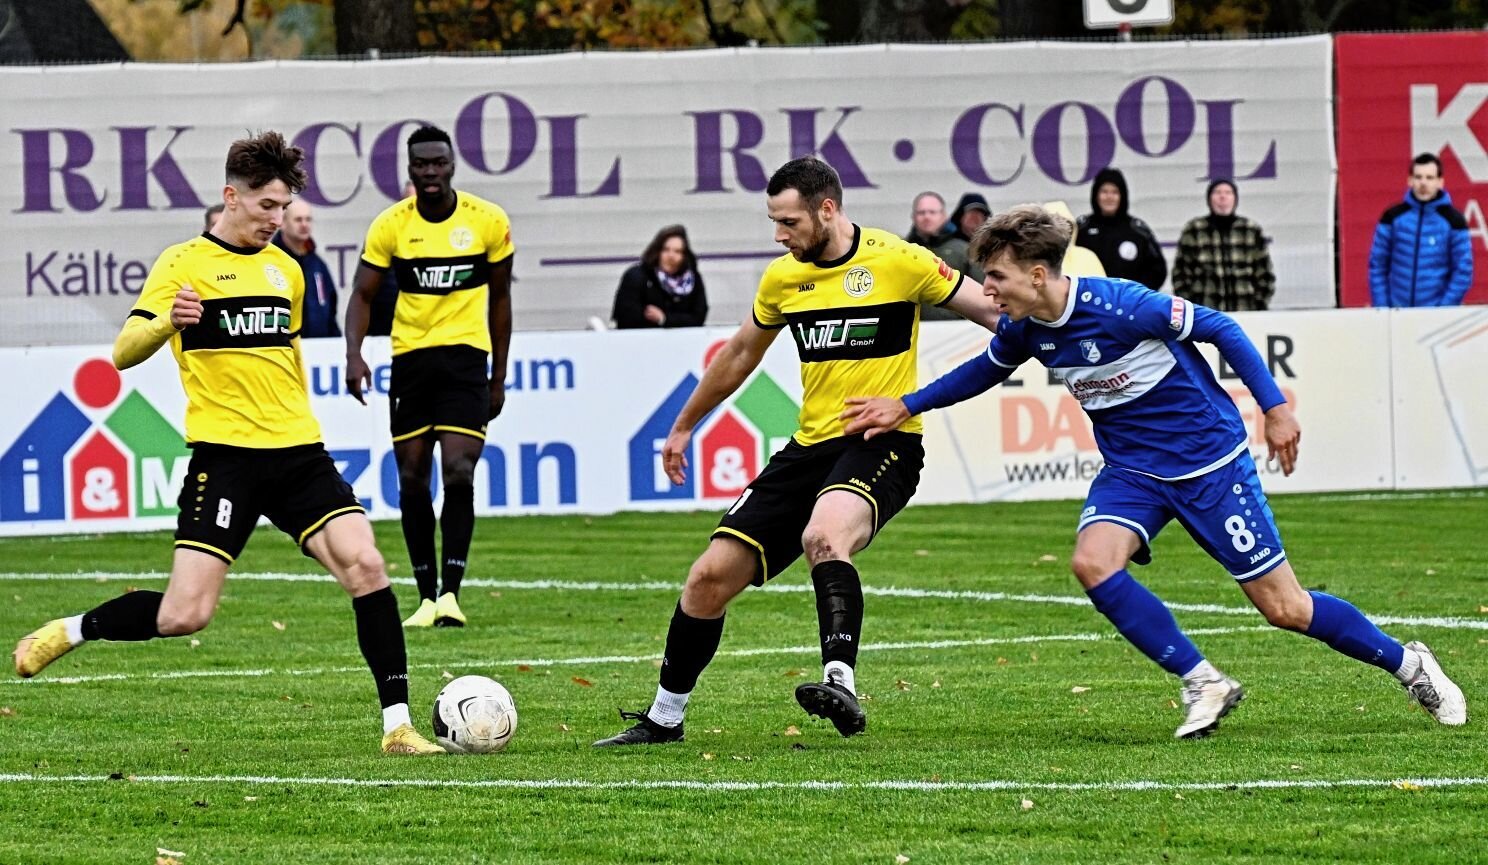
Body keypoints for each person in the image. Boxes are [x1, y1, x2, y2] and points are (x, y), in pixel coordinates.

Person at [843, 204, 1467, 740]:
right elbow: (985, 368)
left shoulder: (1122, 305)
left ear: (1037, 274)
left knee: (1285, 608)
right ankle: (1203, 681)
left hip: (1209, 465)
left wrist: (1275, 410)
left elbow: (1221, 328)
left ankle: (1408, 664)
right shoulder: (1024, 328)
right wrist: (907, 404)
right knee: (1092, 564)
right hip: (1132, 473)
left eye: (997, 277)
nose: (988, 291)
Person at [11, 131, 442, 756]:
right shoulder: (182, 264)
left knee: (367, 565)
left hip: (298, 454)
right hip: (226, 460)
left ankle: (397, 727)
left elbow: (285, 354)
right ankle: (74, 630)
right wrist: (169, 320)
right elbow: (123, 352)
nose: (277, 219)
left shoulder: (286, 270)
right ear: (231, 196)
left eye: (283, 207)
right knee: (185, 614)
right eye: (267, 206)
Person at [593, 157, 1002, 747]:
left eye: (788, 222)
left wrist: (1062, 344)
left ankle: (840, 682)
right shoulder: (784, 278)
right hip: (808, 448)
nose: (779, 235)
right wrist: (683, 426)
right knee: (707, 579)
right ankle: (664, 719)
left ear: (826, 209)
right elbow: (740, 354)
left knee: (824, 536)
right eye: (774, 222)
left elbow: (994, 314)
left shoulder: (901, 260)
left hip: (882, 442)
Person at [344, 125, 515, 630]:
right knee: (413, 478)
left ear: (453, 164)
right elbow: (362, 295)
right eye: (421, 164)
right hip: (412, 363)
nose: (431, 172)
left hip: (465, 361)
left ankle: (451, 595)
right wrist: (354, 354)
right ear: (410, 169)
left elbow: (501, 299)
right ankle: (424, 597)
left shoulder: (487, 221)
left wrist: (498, 376)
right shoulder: (391, 226)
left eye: (439, 162)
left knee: (459, 470)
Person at [1369, 153, 1473, 308]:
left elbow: (1463, 272)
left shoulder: (1454, 220)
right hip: (1396, 312)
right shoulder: (1392, 217)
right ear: (1410, 180)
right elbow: (1377, 265)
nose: (1423, 183)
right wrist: (1383, 308)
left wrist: (1443, 309)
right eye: (1418, 177)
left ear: (1440, 182)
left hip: (1437, 314)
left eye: (1429, 178)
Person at [1171, 179, 1276, 311]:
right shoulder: (1194, 229)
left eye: (1228, 192)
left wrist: (1259, 304)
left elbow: (1265, 273)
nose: (1223, 197)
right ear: (1209, 198)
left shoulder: (1250, 229)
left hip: (1245, 308)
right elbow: (1181, 274)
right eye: (1217, 192)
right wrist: (1192, 308)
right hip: (1206, 311)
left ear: (1235, 198)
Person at [1075, 168, 1167, 290]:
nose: (1109, 197)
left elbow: (1157, 270)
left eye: (1115, 192)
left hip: (1128, 300)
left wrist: (1136, 294)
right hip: (1089, 298)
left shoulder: (1137, 230)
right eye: (1104, 191)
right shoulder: (1082, 229)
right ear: (1095, 195)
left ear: (1122, 196)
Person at [611, 224, 709, 329]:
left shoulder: (693, 280)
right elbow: (625, 317)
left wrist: (665, 319)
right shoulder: (637, 276)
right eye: (666, 250)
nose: (671, 256)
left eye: (677, 251)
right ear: (657, 251)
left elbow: (698, 317)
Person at [273, 199, 340, 338]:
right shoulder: (271, 262)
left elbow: (330, 310)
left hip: (319, 346)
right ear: (283, 223)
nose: (304, 224)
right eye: (298, 220)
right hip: (285, 345)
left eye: (308, 219)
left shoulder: (318, 264)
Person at [905, 191, 970, 322]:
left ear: (944, 216)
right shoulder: (902, 251)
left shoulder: (964, 250)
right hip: (912, 329)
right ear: (913, 217)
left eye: (932, 212)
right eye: (921, 212)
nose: (926, 217)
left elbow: (981, 292)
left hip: (957, 329)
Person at [367, 182, 416, 337]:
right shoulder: (384, 238)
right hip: (388, 336)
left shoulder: (443, 241)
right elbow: (364, 294)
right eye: (410, 203)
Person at [1044, 200, 1105, 278]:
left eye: (1064, 226)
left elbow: (1102, 284)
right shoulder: (1033, 258)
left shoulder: (1087, 256)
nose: (1059, 232)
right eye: (1052, 227)